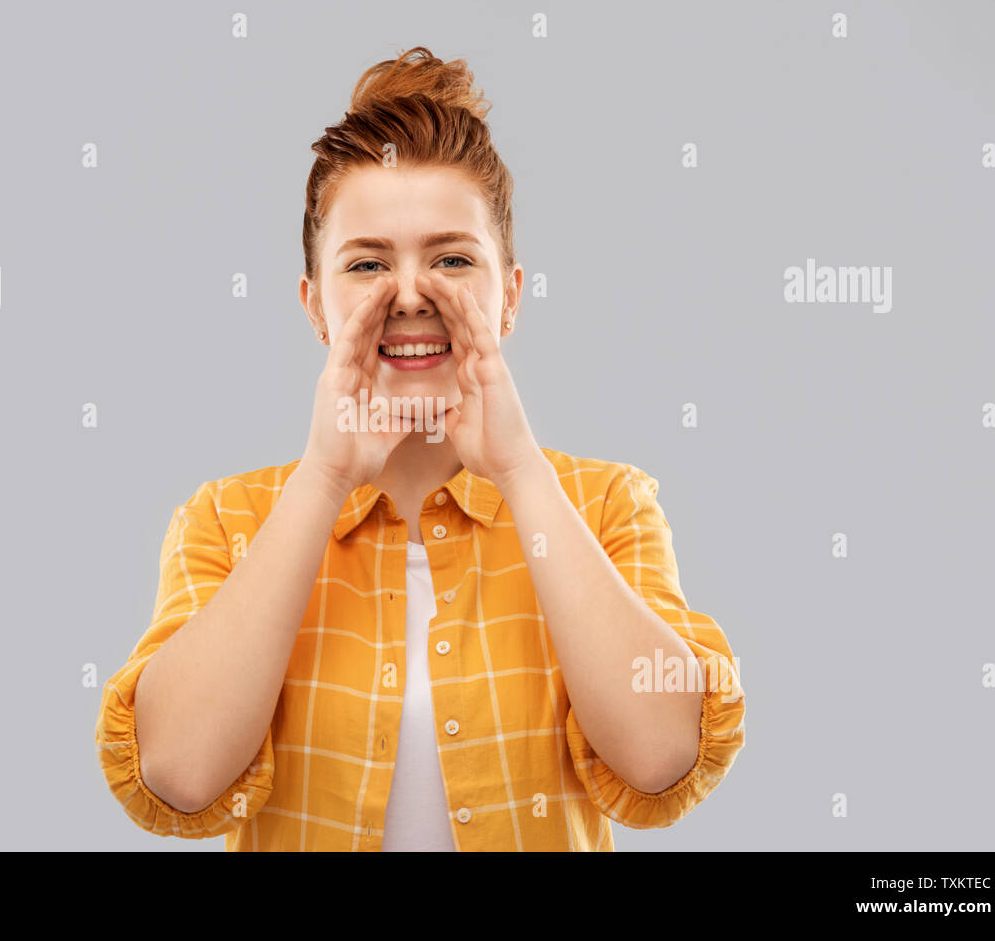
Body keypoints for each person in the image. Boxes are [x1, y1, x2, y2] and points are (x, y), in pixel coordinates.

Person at [95, 46, 745, 851]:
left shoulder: (603, 505)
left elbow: (660, 755)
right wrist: (325, 476)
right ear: (314, 305)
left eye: (452, 260)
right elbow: (179, 773)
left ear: (508, 294)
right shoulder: (227, 519)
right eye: (367, 264)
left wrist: (518, 468)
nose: (409, 295)